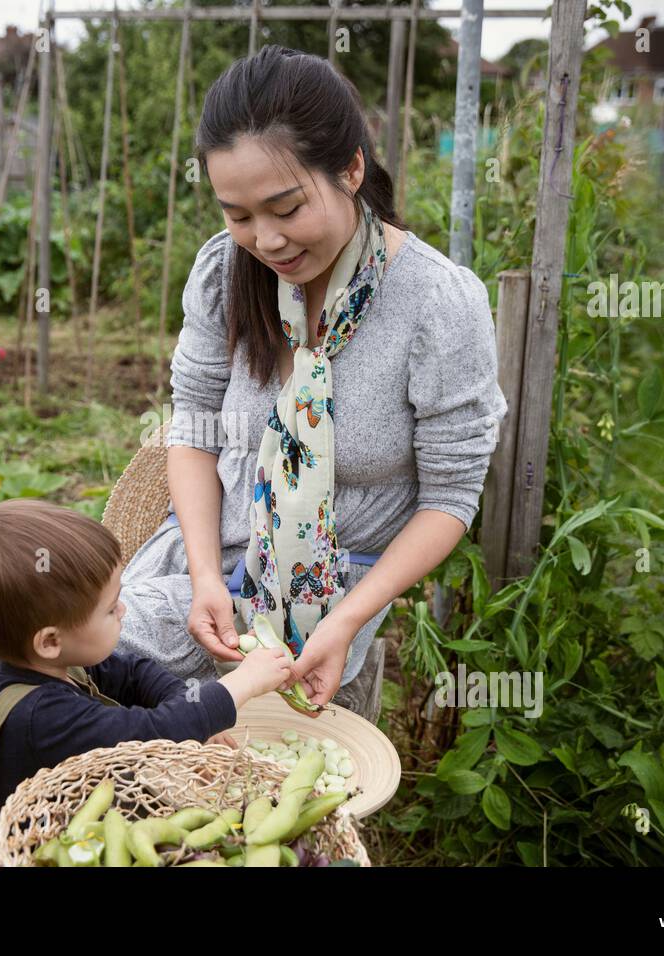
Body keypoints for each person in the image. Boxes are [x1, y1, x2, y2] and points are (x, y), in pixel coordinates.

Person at [115, 46, 508, 714]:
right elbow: (197, 429)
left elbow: (449, 497)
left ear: (352, 168)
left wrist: (349, 619)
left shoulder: (437, 304)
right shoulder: (222, 275)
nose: (265, 240)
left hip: (336, 595)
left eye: (286, 208)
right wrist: (208, 575)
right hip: (206, 561)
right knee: (81, 675)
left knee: (281, 776)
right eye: (238, 215)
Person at [0, 498, 294, 867]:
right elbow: (149, 732)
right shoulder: (40, 716)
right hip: (34, 854)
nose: (124, 609)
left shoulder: (55, 664)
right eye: (111, 608)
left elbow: (134, 673)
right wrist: (240, 685)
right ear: (49, 641)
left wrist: (195, 716)